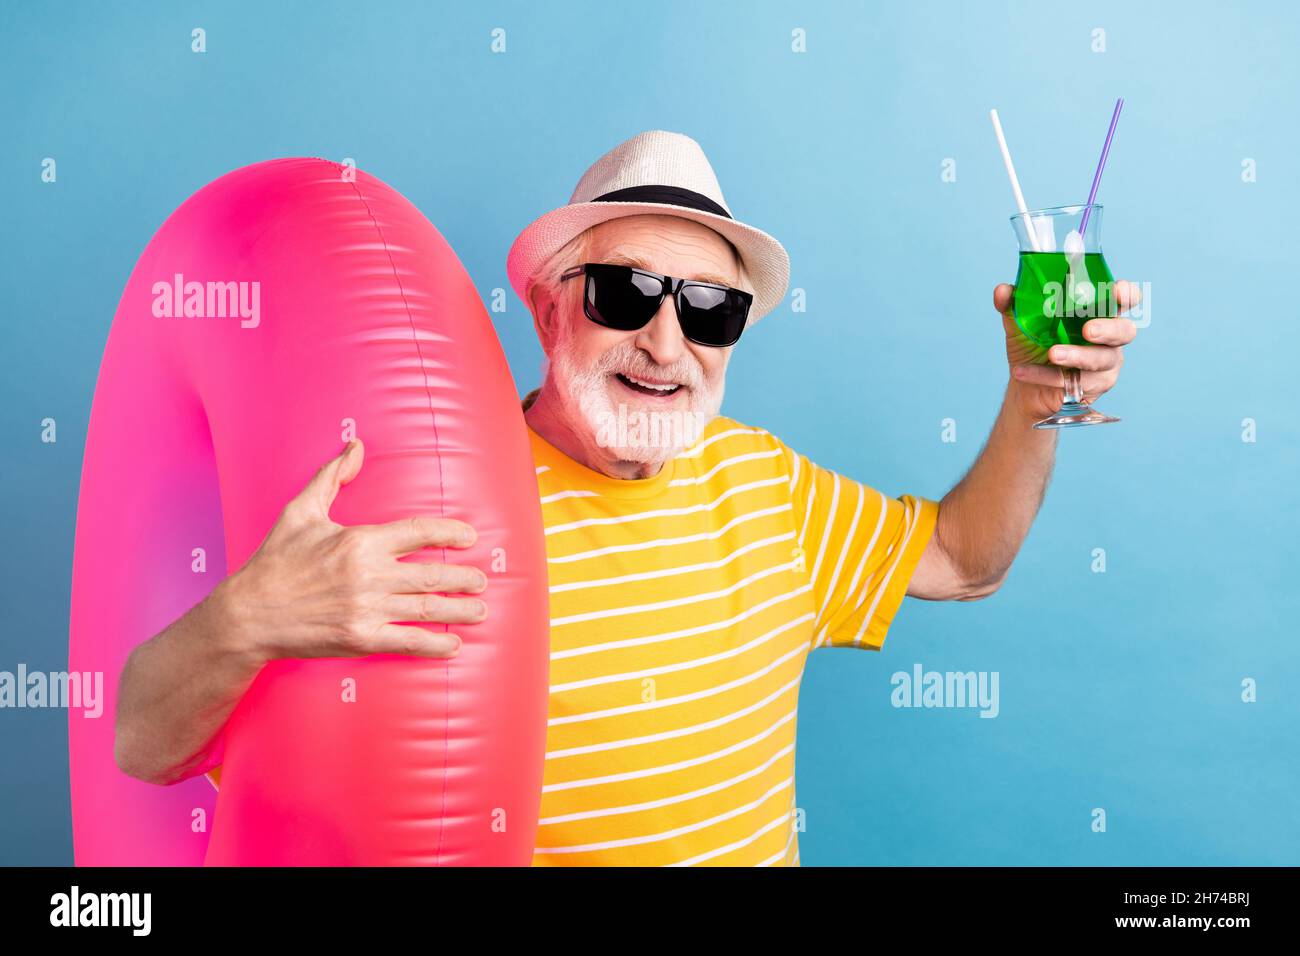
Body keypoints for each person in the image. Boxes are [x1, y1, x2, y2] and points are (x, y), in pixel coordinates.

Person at [115, 130, 1139, 866]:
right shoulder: (421, 505)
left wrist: (1033, 389)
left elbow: (966, 558)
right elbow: (142, 745)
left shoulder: (767, 481)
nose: (665, 342)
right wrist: (248, 618)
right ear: (550, 304)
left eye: (708, 309)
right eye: (623, 293)